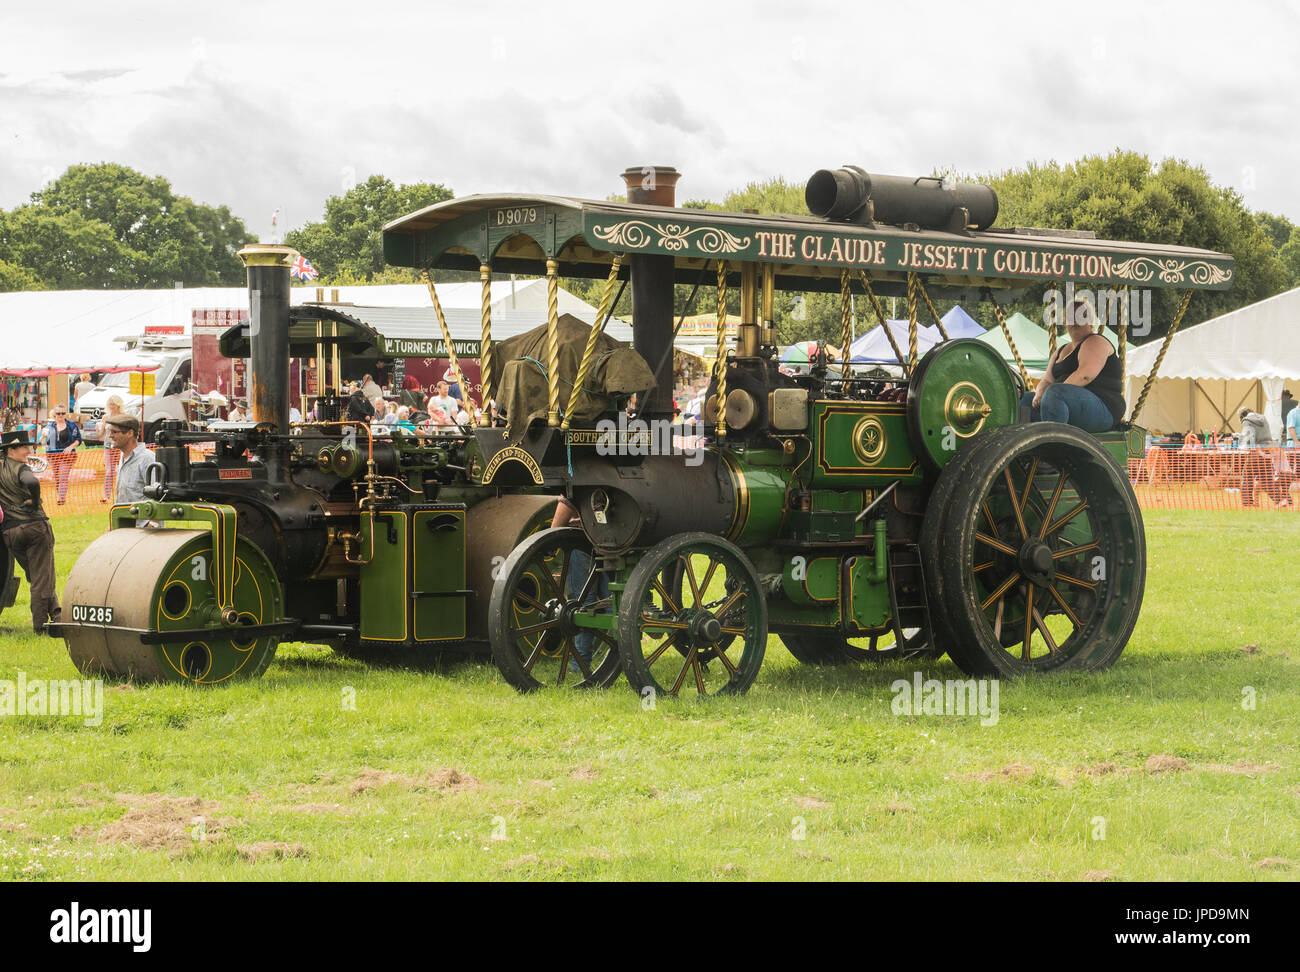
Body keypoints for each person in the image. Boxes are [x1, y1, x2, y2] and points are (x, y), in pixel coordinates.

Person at [1022, 298, 1124, 432]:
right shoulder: (1061, 351)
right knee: (1025, 399)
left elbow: (1085, 376)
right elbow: (1047, 379)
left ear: (1091, 322)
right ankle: (1022, 441)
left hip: (1103, 407)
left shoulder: (1095, 341)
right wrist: (1039, 394)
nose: (1075, 321)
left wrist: (1052, 395)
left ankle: (1055, 443)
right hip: (1067, 399)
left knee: (1054, 393)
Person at [0, 429, 60, 634]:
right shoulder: (21, 468)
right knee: (42, 579)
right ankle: (41, 627)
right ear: (11, 450)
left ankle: (58, 616)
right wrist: (35, 500)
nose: (28, 450)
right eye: (24, 447)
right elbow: (32, 482)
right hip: (34, 526)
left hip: (10, 532)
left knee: (39, 577)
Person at [105, 415, 152, 505]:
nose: (110, 436)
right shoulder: (123, 455)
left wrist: (153, 520)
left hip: (142, 519)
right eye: (110, 431)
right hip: (123, 517)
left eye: (114, 432)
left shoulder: (147, 458)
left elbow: (158, 497)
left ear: (130, 433)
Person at [42, 404, 82, 505]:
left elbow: (78, 439)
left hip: (67, 456)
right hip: (53, 456)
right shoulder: (49, 427)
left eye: (63, 413)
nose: (60, 415)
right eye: (58, 413)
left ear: (66, 414)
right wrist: (43, 439)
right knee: (57, 478)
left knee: (63, 477)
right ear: (54, 414)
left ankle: (61, 498)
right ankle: (60, 494)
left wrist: (70, 447)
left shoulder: (72, 426)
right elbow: (42, 442)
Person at [101, 394, 125, 502]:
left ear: (118, 404)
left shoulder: (123, 416)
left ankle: (121, 494)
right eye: (110, 404)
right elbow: (101, 434)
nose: (111, 406)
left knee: (121, 470)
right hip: (108, 446)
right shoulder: (105, 417)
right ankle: (107, 495)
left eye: (113, 404)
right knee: (109, 472)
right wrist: (100, 427)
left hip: (121, 447)